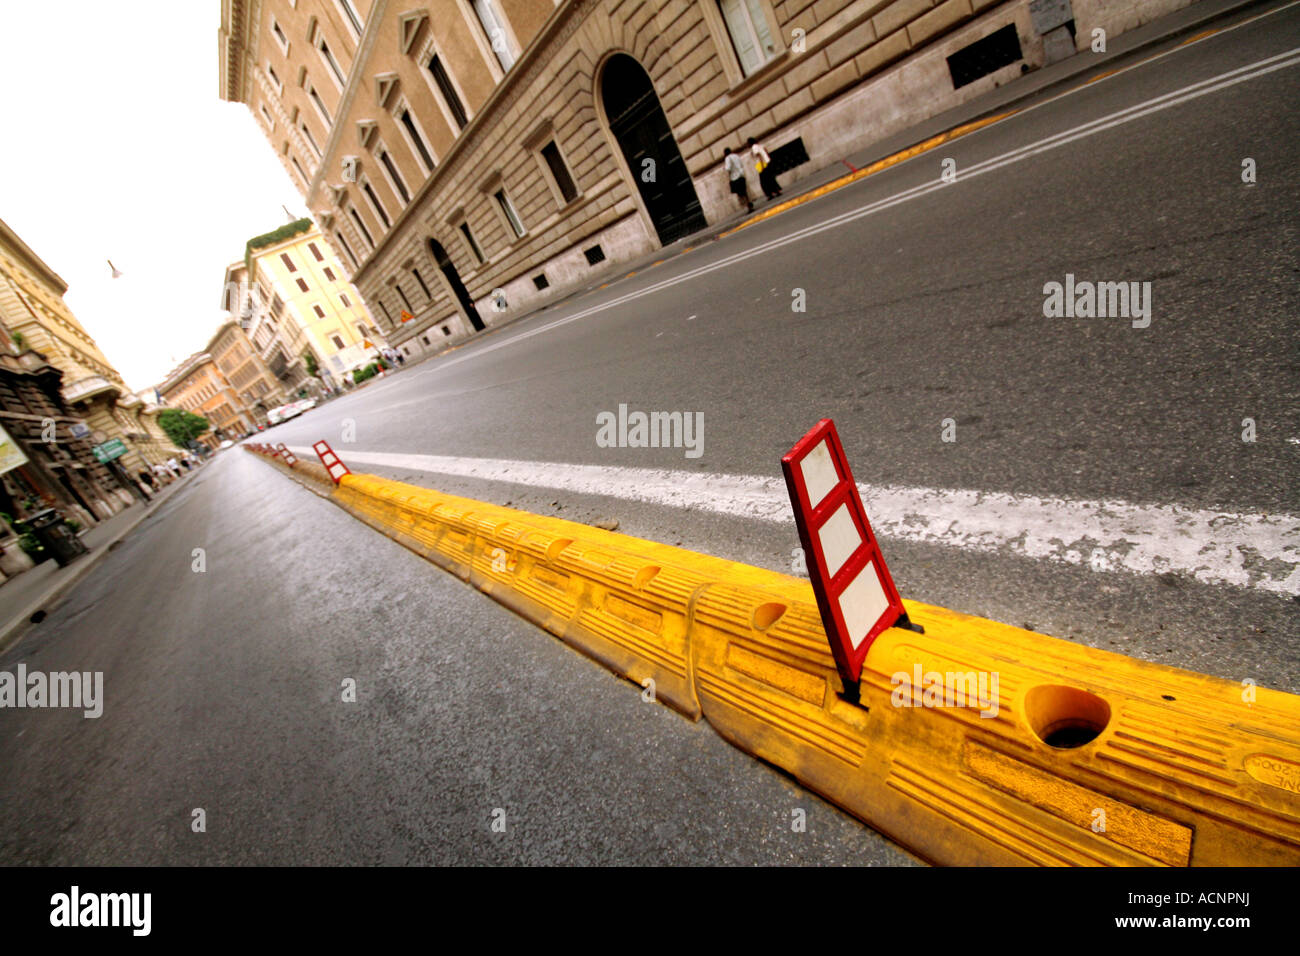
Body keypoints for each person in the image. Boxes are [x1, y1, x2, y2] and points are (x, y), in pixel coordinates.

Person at [723, 147, 752, 213]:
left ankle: (747, 206)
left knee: (740, 194)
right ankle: (749, 203)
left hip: (735, 177)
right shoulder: (736, 155)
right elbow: (741, 164)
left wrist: (725, 169)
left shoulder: (727, 158)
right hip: (741, 175)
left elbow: (728, 168)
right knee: (744, 191)